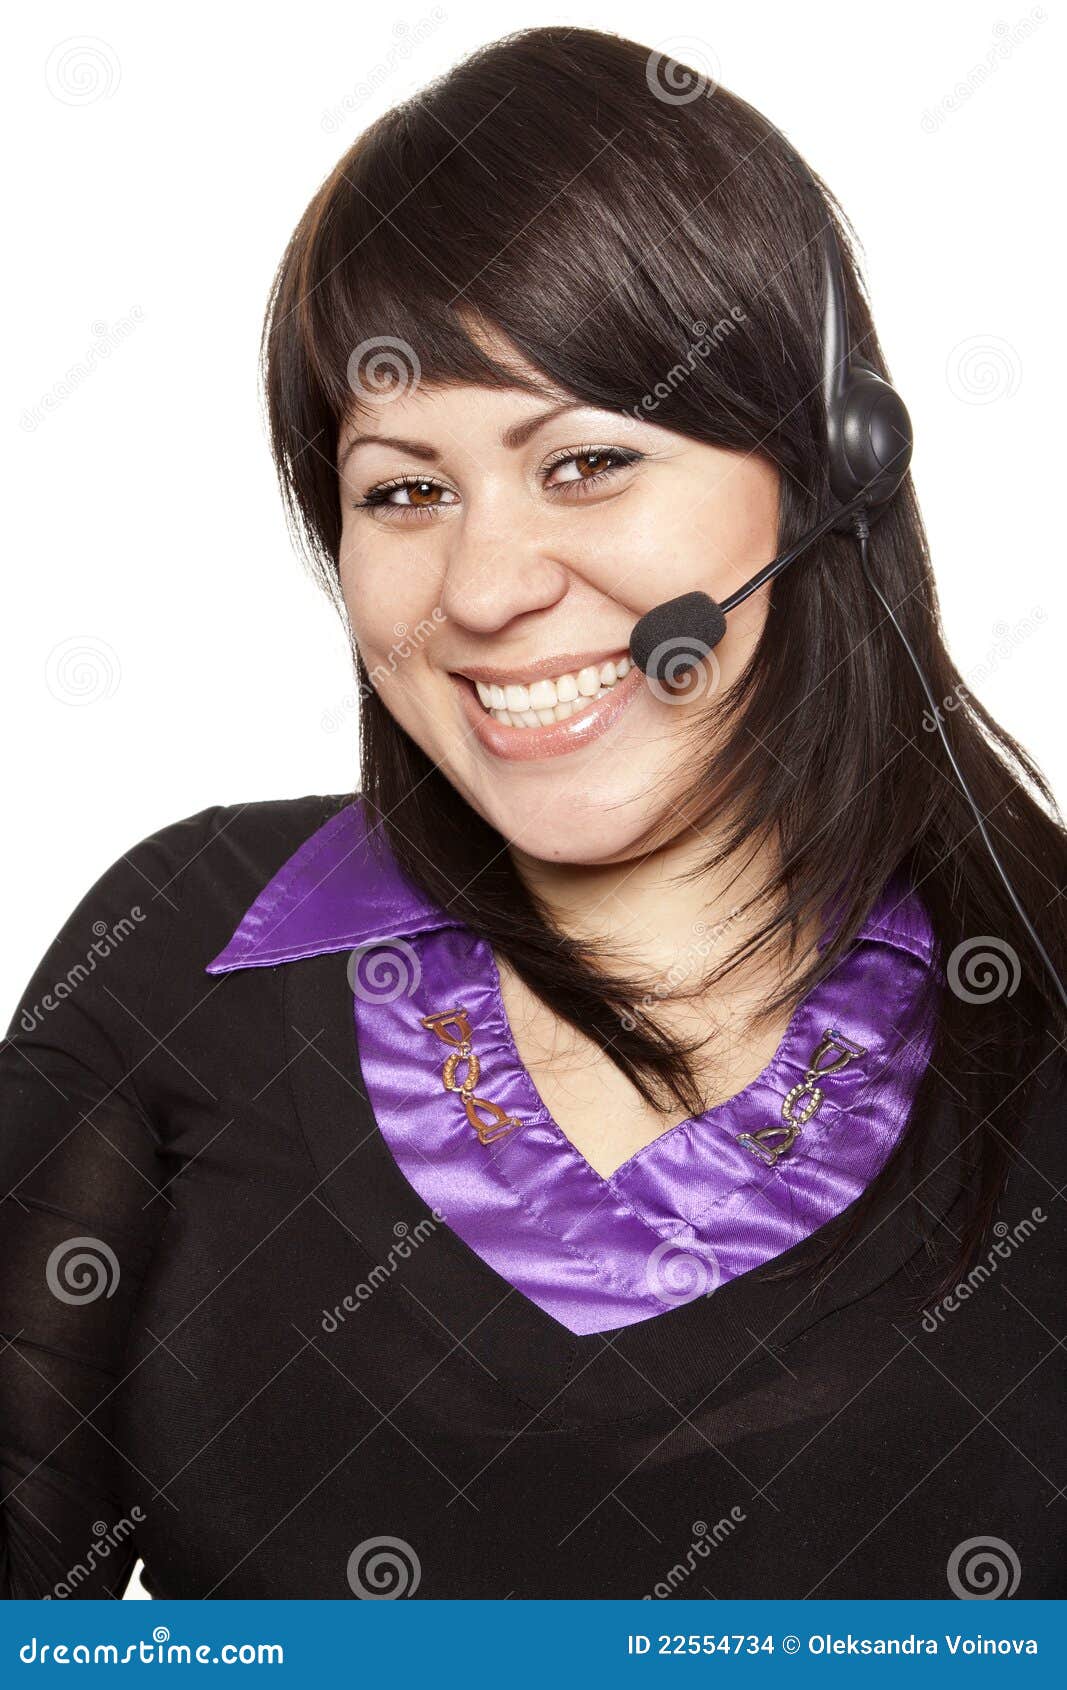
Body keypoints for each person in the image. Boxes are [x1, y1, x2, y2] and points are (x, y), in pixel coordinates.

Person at [2, 26, 1064, 1601]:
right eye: (405, 491)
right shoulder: (183, 942)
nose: (487, 591)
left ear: (830, 468)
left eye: (584, 460)